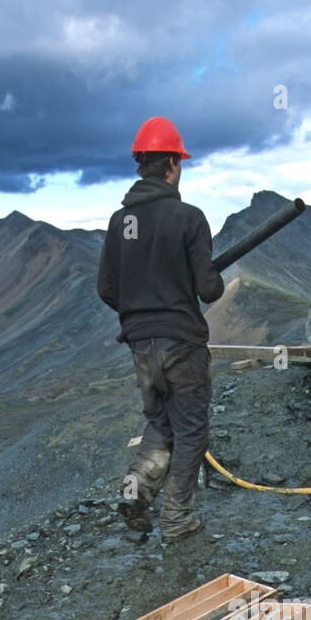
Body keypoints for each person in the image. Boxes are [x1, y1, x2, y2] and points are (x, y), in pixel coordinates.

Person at [97, 117, 224, 543]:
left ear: (141, 165)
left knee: (159, 422)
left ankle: (138, 488)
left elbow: (107, 288)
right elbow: (209, 287)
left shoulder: (120, 222)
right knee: (191, 430)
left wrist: (140, 313)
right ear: (173, 163)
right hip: (181, 342)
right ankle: (176, 518)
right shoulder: (188, 218)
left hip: (139, 344)